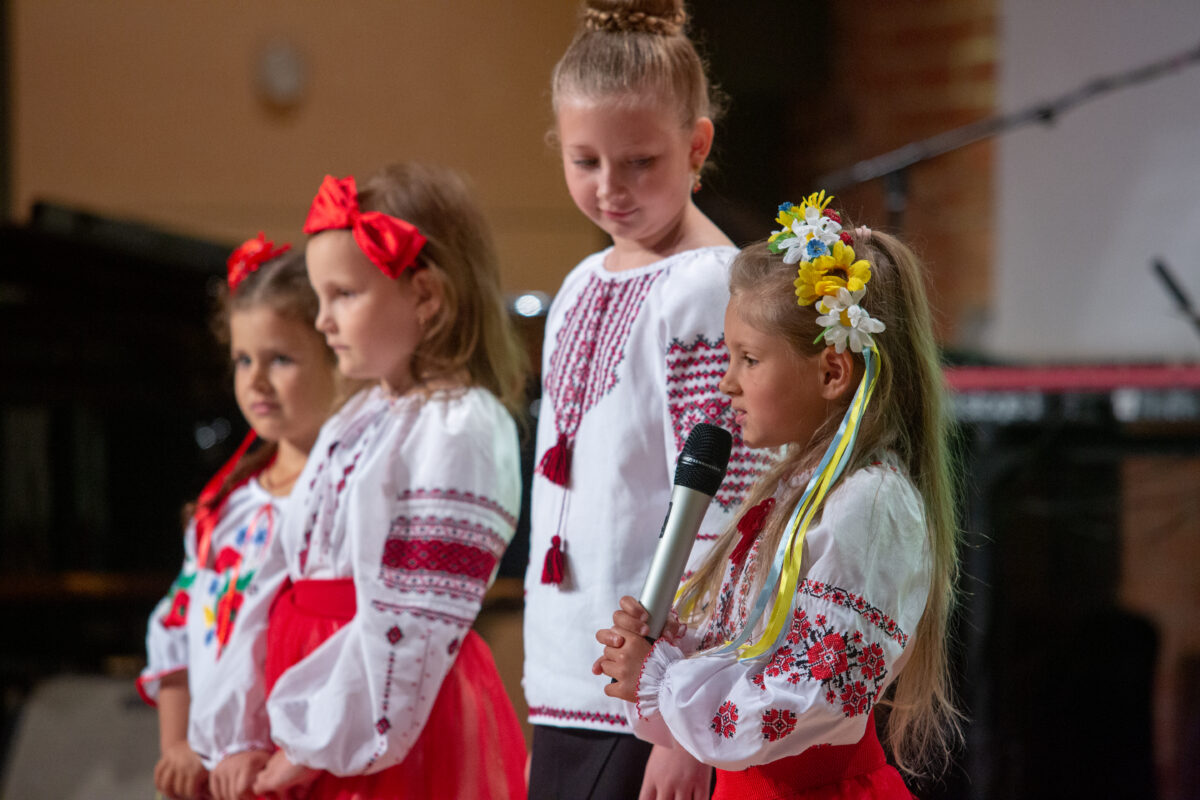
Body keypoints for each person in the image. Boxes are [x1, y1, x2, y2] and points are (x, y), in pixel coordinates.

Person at [595, 193, 963, 798]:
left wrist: (665, 681)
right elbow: (756, 648)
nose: (727, 381)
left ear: (831, 372)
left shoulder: (869, 505)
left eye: (749, 359)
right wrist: (669, 646)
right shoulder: (795, 484)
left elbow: (808, 694)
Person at [192, 163, 530, 800]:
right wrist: (243, 728)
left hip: (385, 722)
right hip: (305, 703)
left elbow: (416, 613)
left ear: (426, 297)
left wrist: (310, 743)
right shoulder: (359, 415)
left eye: (343, 295)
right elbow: (273, 575)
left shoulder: (458, 427)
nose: (322, 321)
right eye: (320, 299)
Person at [523, 1, 768, 797]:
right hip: (566, 676)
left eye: (639, 162)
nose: (610, 189)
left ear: (697, 146)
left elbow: (726, 511)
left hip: (646, 693)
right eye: (584, 161)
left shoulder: (703, 286)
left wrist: (688, 719)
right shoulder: (580, 282)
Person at [138, 234, 342, 800]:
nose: (254, 380)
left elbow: (336, 654)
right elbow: (178, 626)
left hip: (299, 772)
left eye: (280, 359)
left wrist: (280, 750)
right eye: (243, 360)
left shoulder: (339, 498)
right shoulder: (228, 502)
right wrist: (179, 746)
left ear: (338, 356)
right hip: (217, 777)